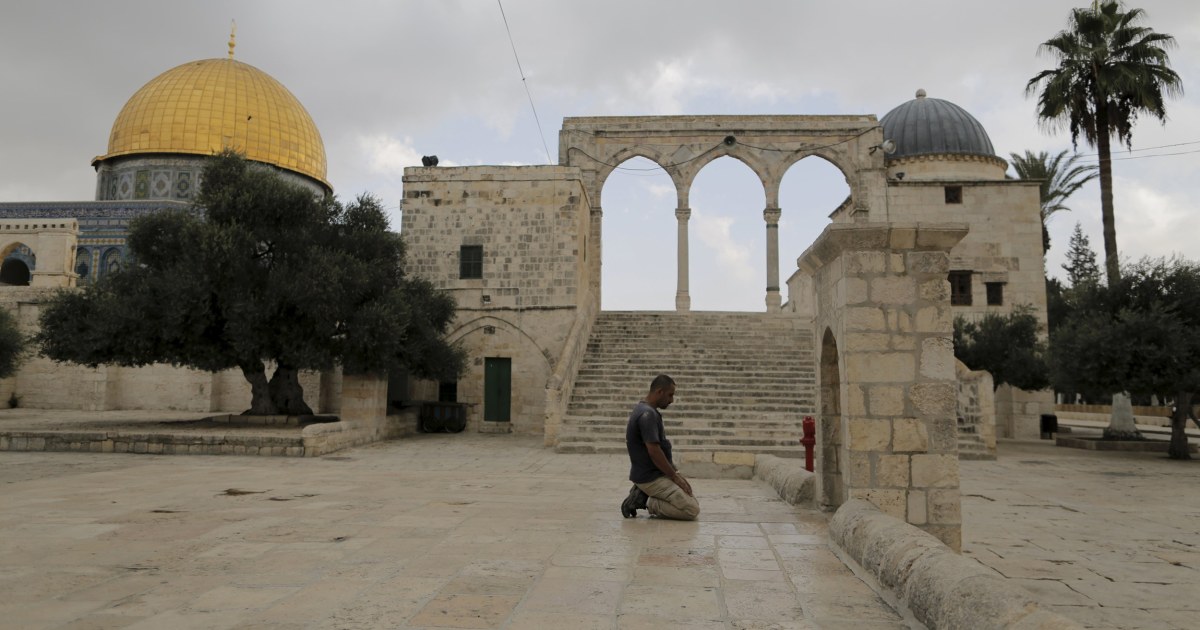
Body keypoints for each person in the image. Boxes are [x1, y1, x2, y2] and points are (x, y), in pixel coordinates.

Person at [621, 374, 700, 520]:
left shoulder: (646, 410)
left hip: (655, 474)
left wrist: (676, 473)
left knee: (689, 498)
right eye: (670, 395)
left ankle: (642, 493)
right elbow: (654, 451)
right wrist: (674, 477)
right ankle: (644, 500)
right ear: (659, 392)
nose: (671, 400)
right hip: (650, 478)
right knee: (691, 509)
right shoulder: (647, 414)